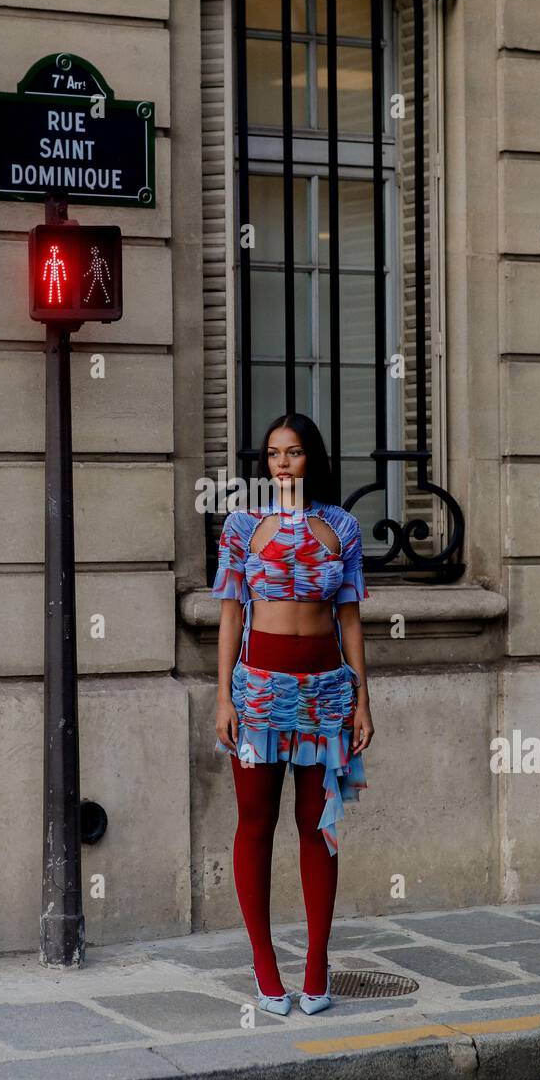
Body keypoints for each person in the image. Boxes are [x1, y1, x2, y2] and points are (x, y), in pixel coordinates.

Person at [212, 413, 374, 1016]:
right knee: (255, 823)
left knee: (318, 826)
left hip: (327, 694)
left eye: (296, 452)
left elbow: (351, 618)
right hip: (257, 695)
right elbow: (231, 614)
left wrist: (362, 697)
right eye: (275, 453)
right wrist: (223, 695)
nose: (283, 462)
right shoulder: (241, 527)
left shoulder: (342, 528)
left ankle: (316, 966)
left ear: (313, 460)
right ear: (265, 463)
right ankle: (263, 963)